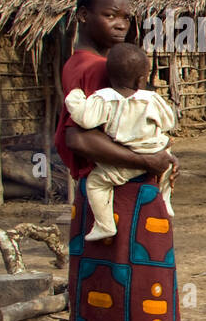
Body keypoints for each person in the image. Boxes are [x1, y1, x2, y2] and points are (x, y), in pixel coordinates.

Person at [58, 0, 181, 321]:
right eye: (110, 14)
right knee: (131, 306)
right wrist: (149, 161)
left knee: (115, 306)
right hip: (120, 198)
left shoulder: (91, 66)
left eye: (125, 17)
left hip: (131, 200)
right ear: (83, 15)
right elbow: (77, 137)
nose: (119, 22)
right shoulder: (91, 67)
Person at [64, 43, 177, 242]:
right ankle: (166, 202)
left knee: (96, 184)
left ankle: (104, 224)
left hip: (123, 161)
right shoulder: (151, 98)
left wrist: (75, 98)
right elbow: (169, 121)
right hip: (156, 152)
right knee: (168, 170)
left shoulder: (103, 99)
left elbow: (85, 119)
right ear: (142, 79)